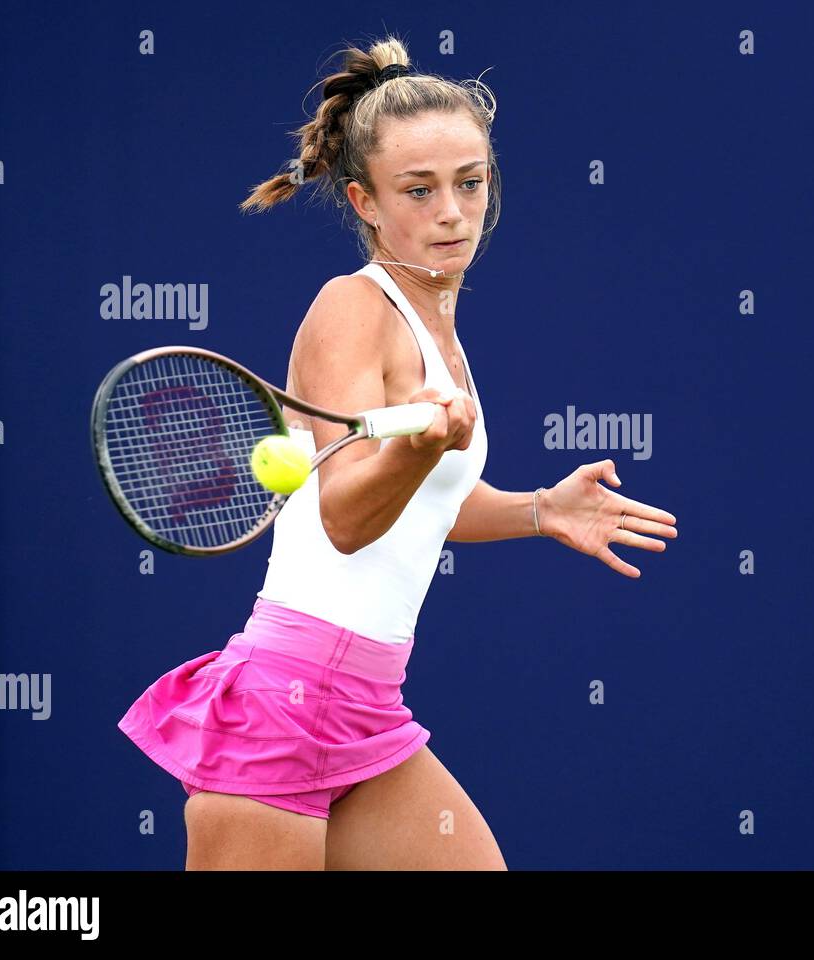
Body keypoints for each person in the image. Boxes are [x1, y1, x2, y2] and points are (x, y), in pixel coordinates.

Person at [115, 35, 678, 870]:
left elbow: (425, 509)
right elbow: (347, 514)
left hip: (366, 705)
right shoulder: (354, 307)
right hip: (287, 696)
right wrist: (419, 450)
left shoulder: (439, 327)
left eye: (470, 182)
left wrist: (536, 510)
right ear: (365, 202)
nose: (452, 211)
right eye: (419, 190)